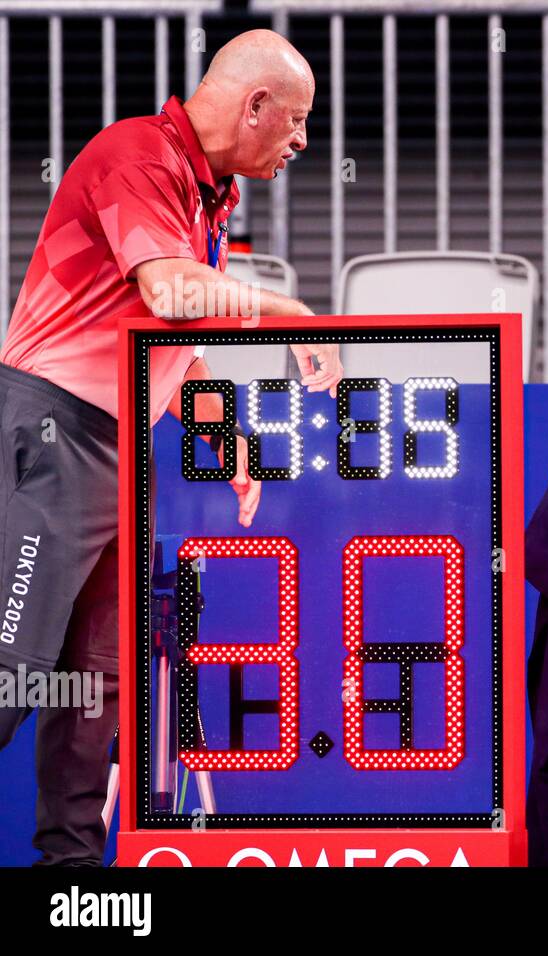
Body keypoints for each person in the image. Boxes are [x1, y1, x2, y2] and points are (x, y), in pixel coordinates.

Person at [0, 29, 343, 865]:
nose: (303, 143)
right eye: (295, 123)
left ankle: (70, 873)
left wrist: (225, 439)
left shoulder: (206, 196)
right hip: (51, 433)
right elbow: (173, 293)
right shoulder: (136, 154)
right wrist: (293, 313)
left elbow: (169, 346)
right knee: (10, 671)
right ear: (254, 106)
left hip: (120, 450)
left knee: (96, 687)